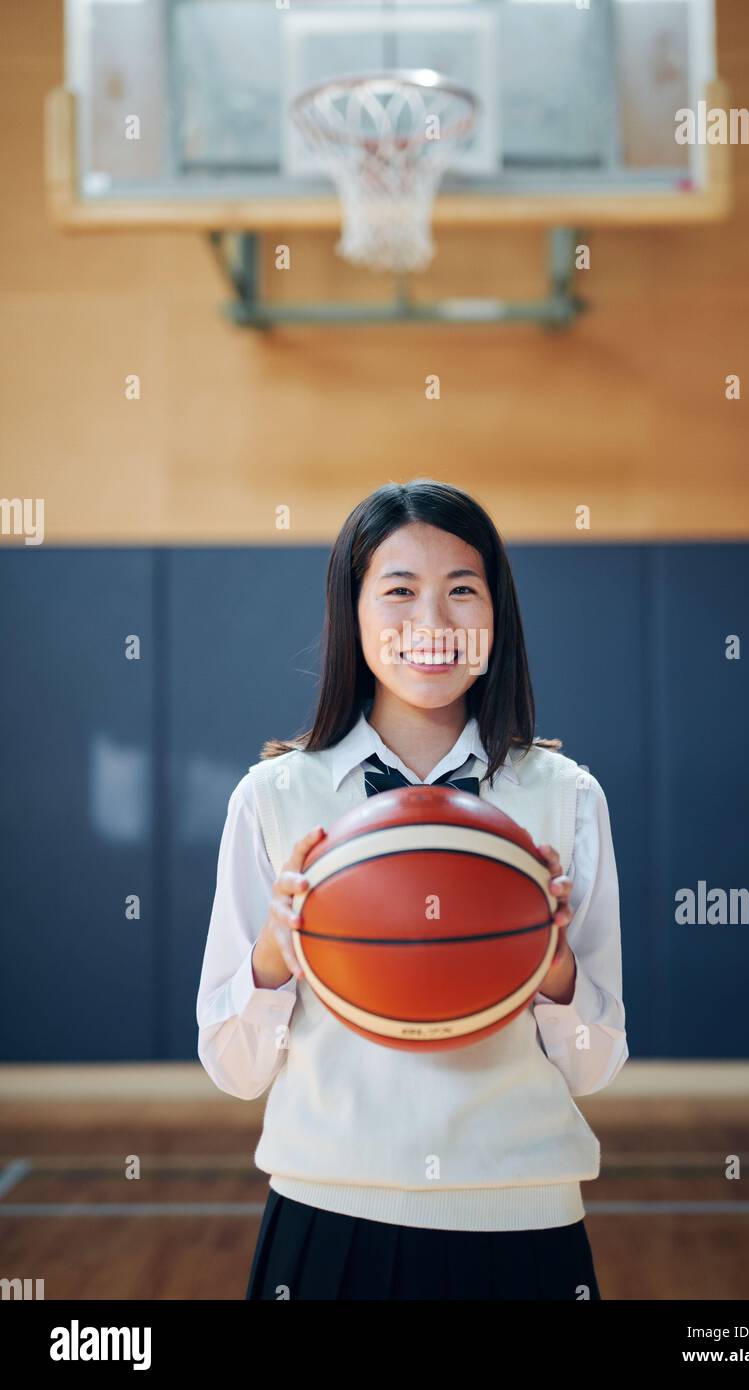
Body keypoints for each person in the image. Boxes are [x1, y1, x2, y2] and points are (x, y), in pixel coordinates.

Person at [197, 478, 627, 1300]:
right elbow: (234, 1067)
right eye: (398, 592)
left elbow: (595, 1067)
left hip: (521, 1215)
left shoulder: (565, 796)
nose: (431, 626)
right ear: (351, 613)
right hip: (327, 1214)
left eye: (461, 592)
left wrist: (553, 970)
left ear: (496, 615)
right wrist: (275, 954)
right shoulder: (275, 798)